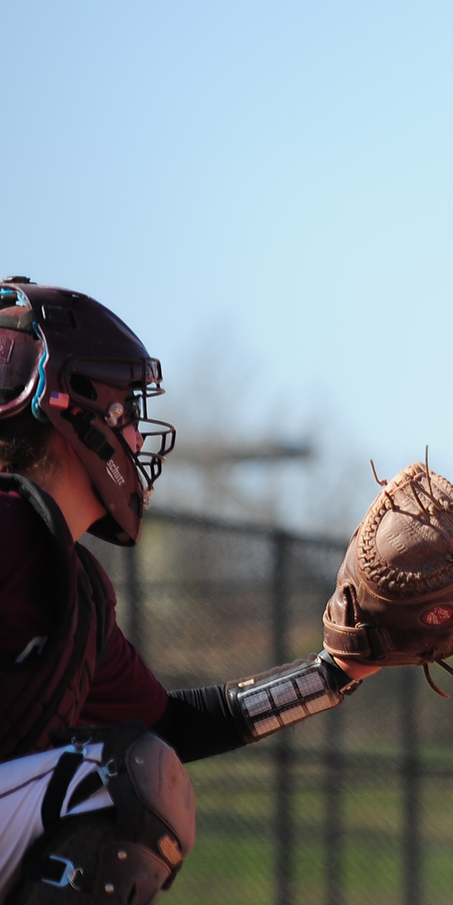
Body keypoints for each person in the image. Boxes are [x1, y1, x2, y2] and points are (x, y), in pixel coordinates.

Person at [0, 279, 382, 902]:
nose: (137, 436)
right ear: (76, 406)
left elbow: (170, 725)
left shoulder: (78, 591)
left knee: (140, 767)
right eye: (126, 410)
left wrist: (336, 671)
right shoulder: (13, 528)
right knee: (107, 784)